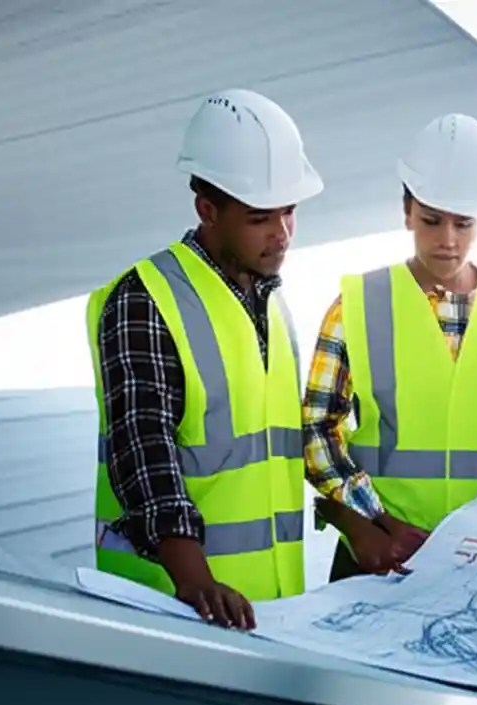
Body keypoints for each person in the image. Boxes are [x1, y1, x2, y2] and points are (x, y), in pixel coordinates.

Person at [302, 113, 477, 582]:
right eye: (432, 220)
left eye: (463, 223)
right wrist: (375, 518)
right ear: (407, 210)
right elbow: (315, 431)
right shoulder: (355, 306)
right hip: (380, 554)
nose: (448, 240)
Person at [88, 89, 324, 630]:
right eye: (262, 217)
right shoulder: (145, 298)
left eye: (290, 211)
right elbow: (144, 448)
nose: (283, 234)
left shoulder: (270, 302)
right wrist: (193, 580)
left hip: (269, 612)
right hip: (174, 609)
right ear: (207, 210)